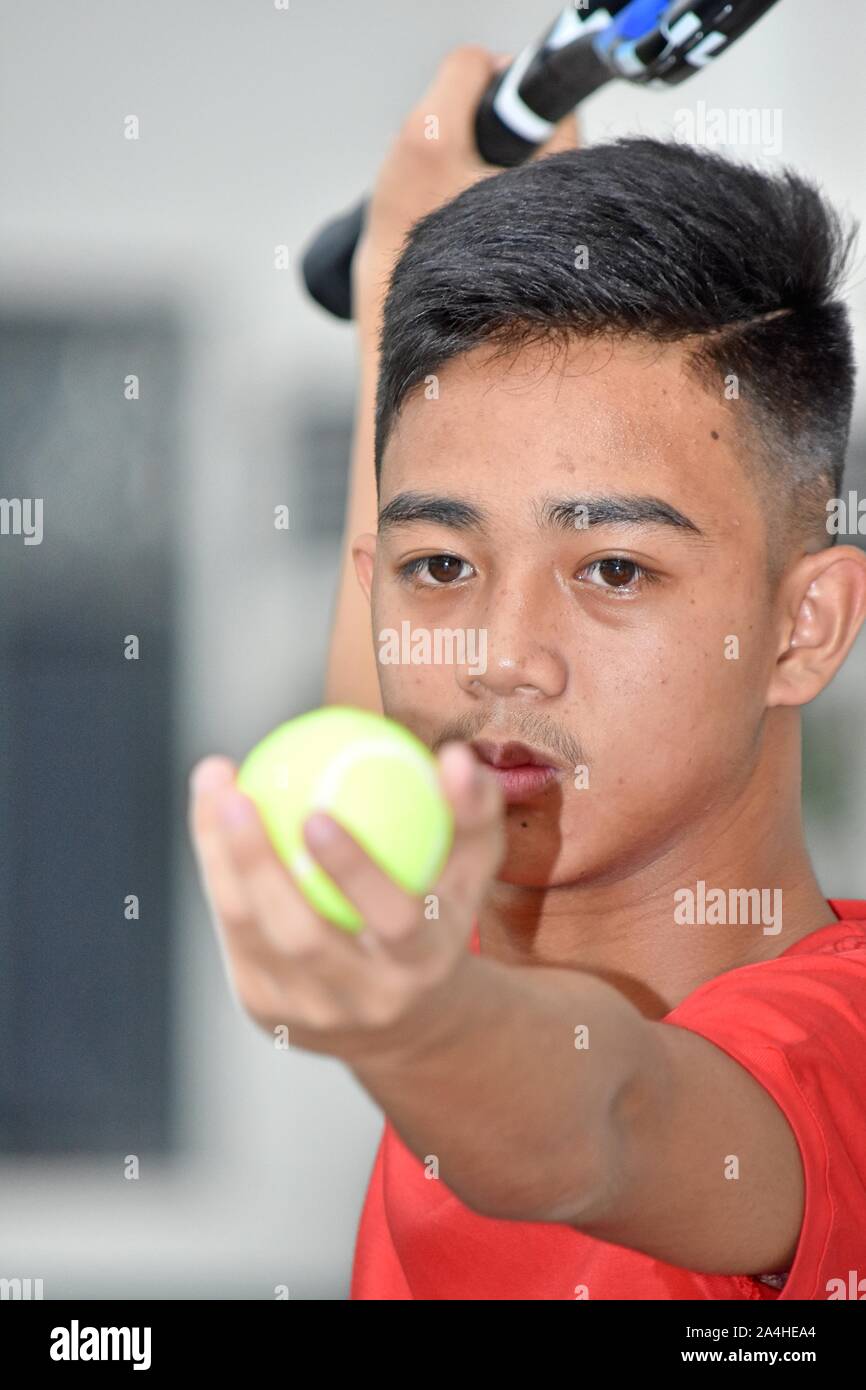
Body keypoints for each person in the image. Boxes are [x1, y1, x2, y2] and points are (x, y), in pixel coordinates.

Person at [189, 48, 866, 1299]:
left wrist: (416, 1021)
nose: (498, 659)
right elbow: (380, 704)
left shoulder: (840, 1054)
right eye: (442, 568)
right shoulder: (464, 881)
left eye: (613, 570)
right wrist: (405, 263)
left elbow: (599, 1121)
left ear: (802, 627)